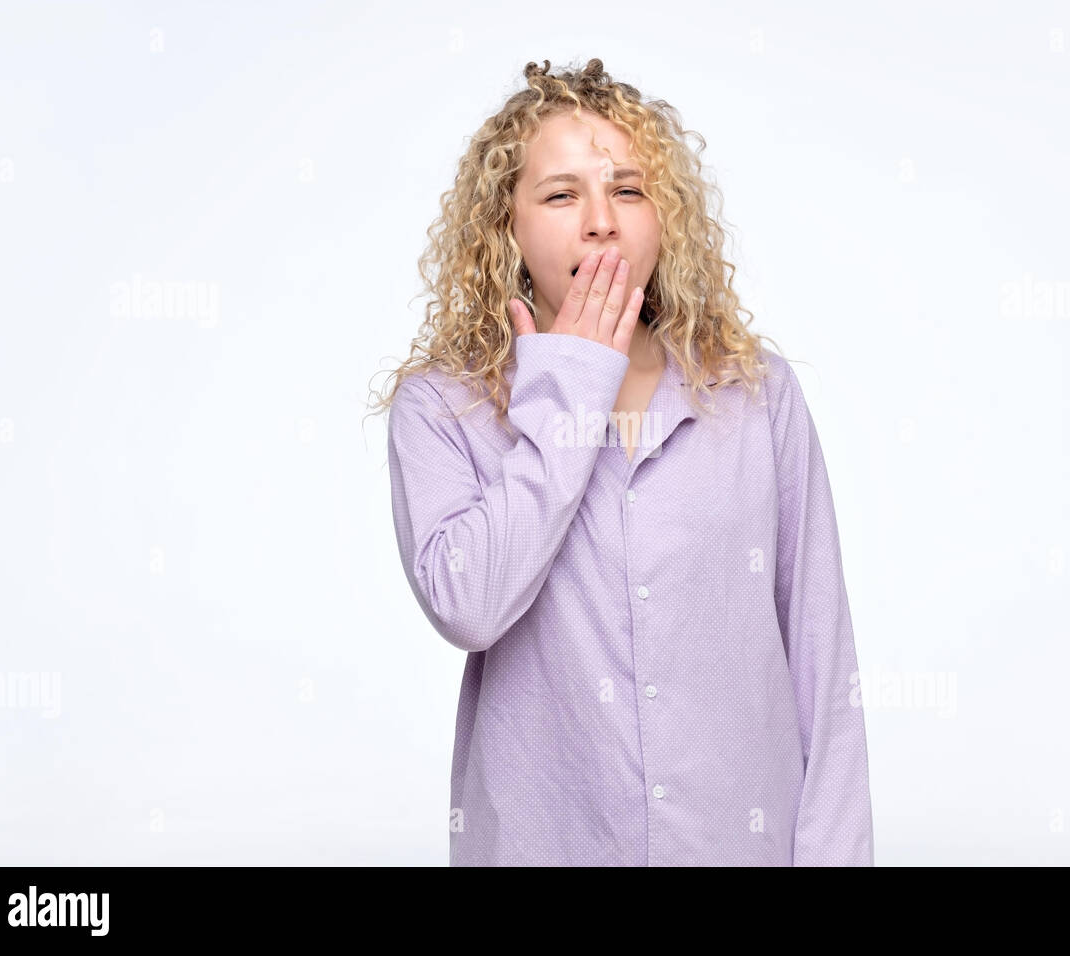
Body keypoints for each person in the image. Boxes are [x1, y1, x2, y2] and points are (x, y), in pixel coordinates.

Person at [369, 58, 874, 866]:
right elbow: (468, 607)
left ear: (665, 218)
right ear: (507, 225)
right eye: (562, 194)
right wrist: (570, 391)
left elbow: (821, 653)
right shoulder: (441, 407)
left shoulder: (754, 391)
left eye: (629, 190)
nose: (601, 221)